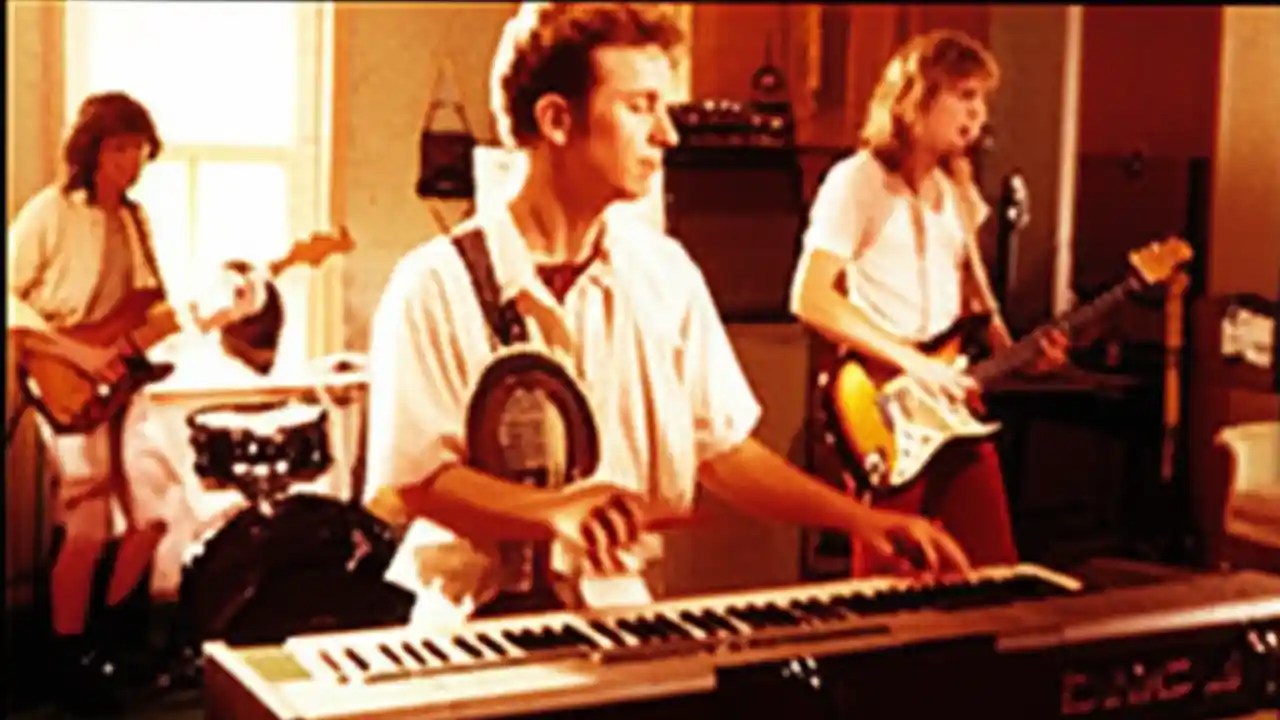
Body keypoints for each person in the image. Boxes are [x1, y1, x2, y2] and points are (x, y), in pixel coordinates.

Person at [363, 2, 971, 620]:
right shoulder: (433, 284)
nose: (667, 135)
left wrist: (862, 521)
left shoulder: (664, 273)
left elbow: (723, 448)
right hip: (470, 624)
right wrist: (553, 510)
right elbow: (415, 480)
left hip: (619, 610)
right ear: (555, 119)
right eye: (640, 106)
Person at [6, 91, 267, 713]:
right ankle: (68, 660)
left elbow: (150, 312)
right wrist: (76, 354)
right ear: (91, 149)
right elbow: (9, 299)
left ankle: (112, 645)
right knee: (88, 526)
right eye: (118, 147)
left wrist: (219, 307)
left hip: (124, 385)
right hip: (65, 381)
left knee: (154, 516)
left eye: (138, 149)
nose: (130, 161)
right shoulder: (50, 213)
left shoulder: (136, 221)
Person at [788, 30, 1069, 575]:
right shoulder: (857, 181)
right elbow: (810, 296)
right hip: (883, 400)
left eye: (981, 99)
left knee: (994, 572)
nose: (977, 113)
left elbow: (972, 307)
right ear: (919, 97)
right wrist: (913, 362)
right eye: (964, 96)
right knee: (888, 579)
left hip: (951, 406)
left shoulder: (959, 192)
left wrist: (1022, 356)